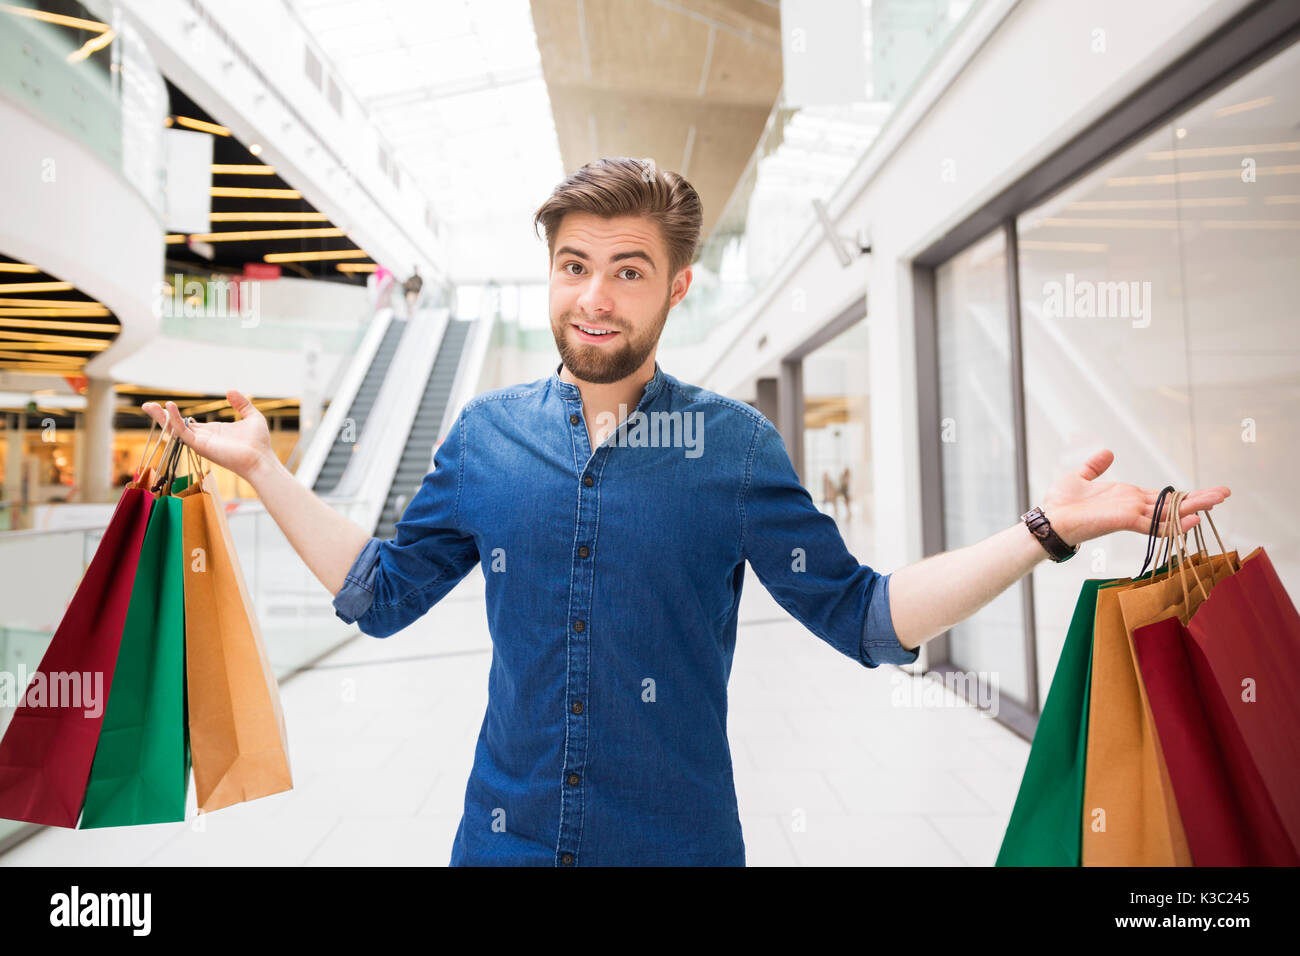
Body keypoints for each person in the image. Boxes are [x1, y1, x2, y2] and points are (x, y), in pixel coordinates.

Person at [142, 156, 1231, 867]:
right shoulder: (482, 439)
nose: (594, 297)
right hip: (500, 841)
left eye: (626, 270)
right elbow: (379, 598)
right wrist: (267, 472)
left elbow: (865, 616)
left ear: (676, 286)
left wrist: (1040, 528)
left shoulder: (733, 450)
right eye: (573, 267)